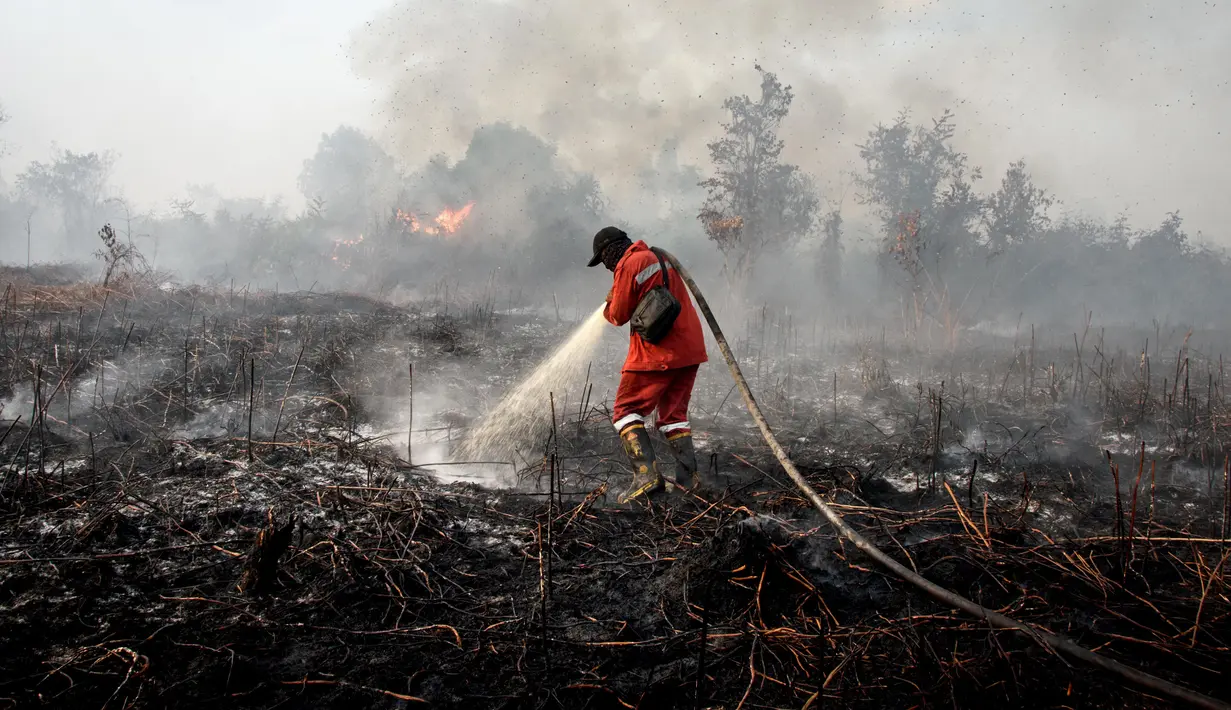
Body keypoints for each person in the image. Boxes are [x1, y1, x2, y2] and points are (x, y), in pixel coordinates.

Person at [587, 226, 707, 503]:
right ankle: (689, 482)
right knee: (673, 417)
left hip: (658, 354)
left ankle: (646, 477)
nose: (605, 266)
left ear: (611, 249)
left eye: (603, 259)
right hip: (689, 351)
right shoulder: (659, 257)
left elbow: (618, 315)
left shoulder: (630, 264)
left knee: (625, 412)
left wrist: (610, 301)